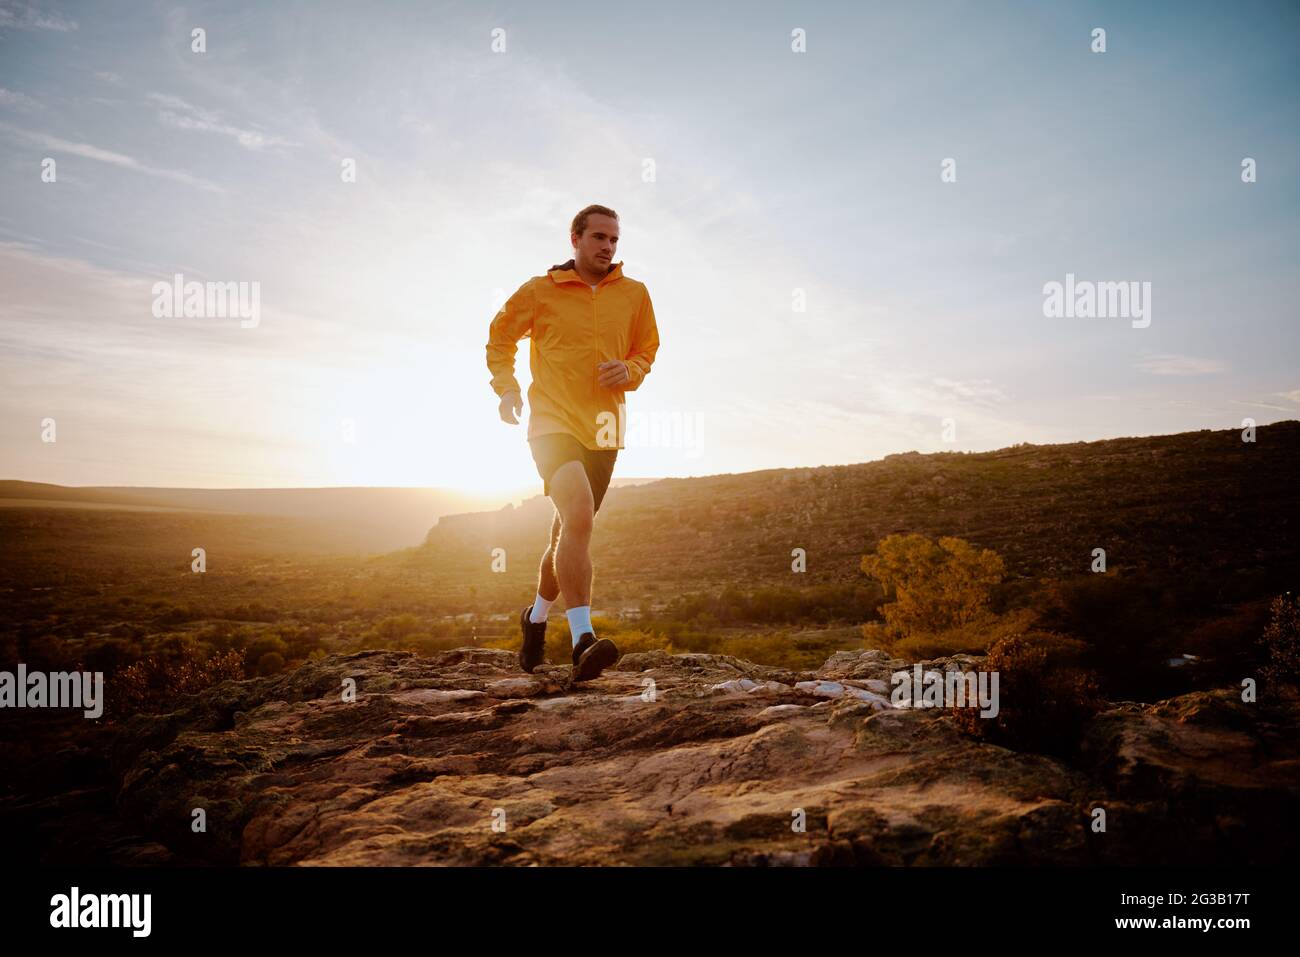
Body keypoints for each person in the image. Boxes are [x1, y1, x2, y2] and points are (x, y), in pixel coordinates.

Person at [485, 204, 660, 681]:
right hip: (551, 423)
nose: (608, 247)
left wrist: (632, 370)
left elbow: (647, 349)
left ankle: (535, 619)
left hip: (605, 429)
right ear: (576, 239)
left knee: (569, 532)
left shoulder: (635, 295)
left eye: (615, 240)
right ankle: (582, 638)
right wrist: (507, 387)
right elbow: (499, 338)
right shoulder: (540, 291)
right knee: (579, 514)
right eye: (599, 237)